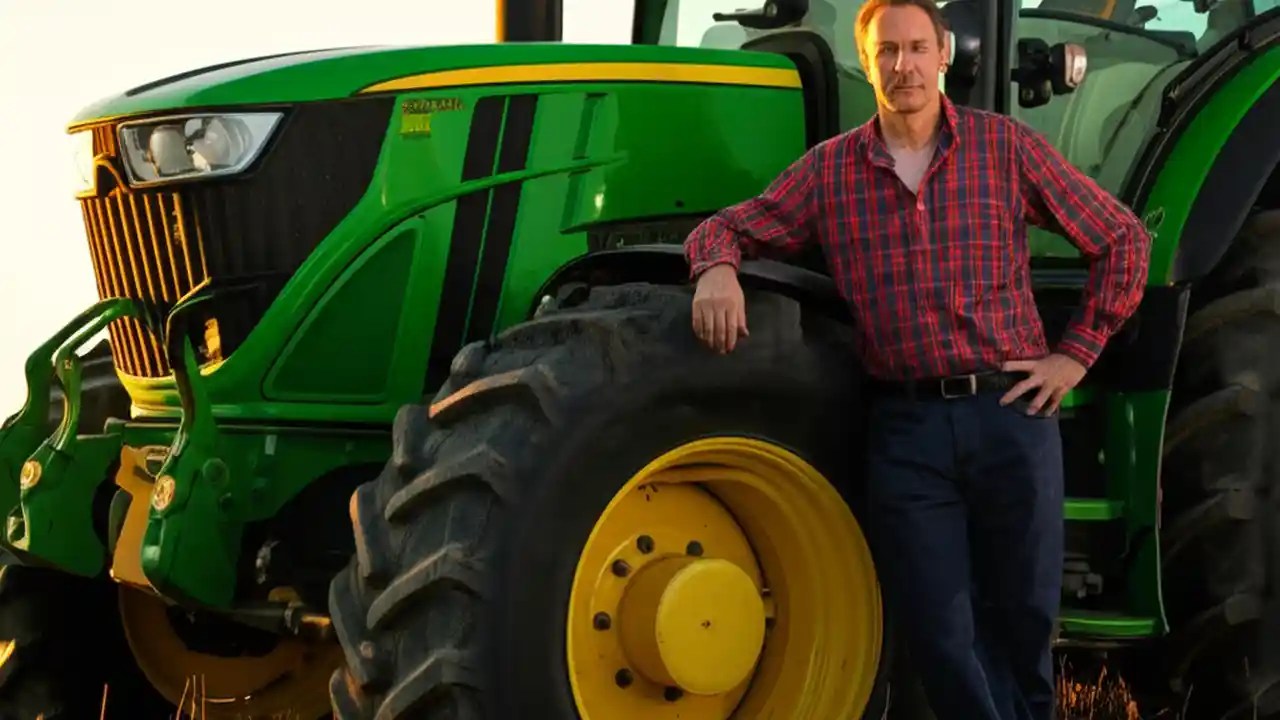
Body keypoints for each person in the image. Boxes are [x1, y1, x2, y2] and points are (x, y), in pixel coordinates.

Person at [681, 0, 1152, 719]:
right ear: (866, 64)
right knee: (938, 627)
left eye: (915, 48)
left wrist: (1074, 357)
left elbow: (1122, 239)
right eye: (887, 52)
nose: (903, 65)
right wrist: (715, 270)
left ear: (943, 56)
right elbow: (727, 226)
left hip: (1011, 415)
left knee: (1021, 617)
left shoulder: (1005, 149)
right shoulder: (830, 174)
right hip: (909, 429)